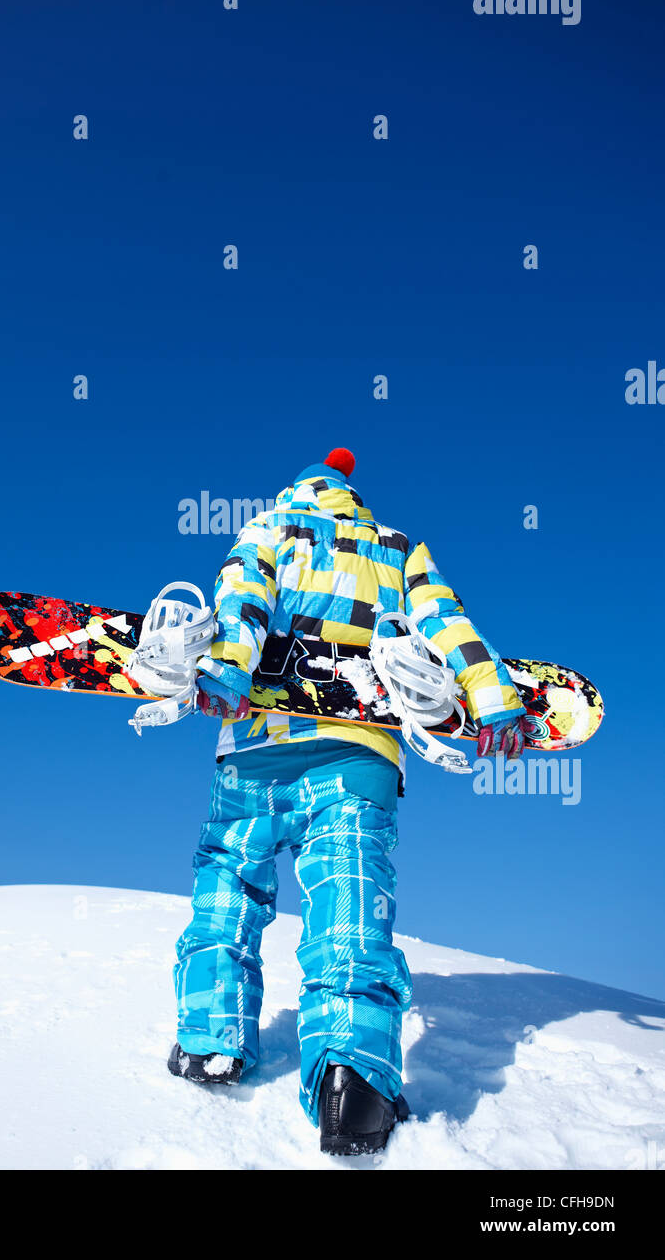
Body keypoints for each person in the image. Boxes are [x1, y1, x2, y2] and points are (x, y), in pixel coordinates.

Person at [167, 449, 527, 1155]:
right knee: (352, 903)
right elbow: (447, 621)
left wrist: (227, 665)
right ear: (352, 497)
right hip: (359, 755)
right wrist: (492, 698)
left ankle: (213, 1042)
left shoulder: (270, 527)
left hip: (255, 753)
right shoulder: (396, 548)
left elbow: (242, 598)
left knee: (228, 892)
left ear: (300, 490)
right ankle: (352, 1084)